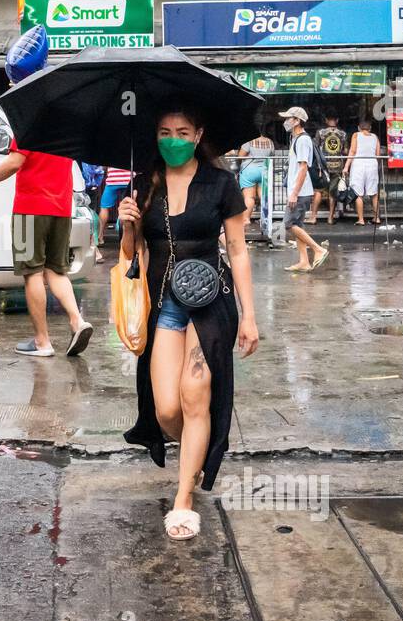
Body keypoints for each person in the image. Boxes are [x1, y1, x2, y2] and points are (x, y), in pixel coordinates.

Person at [118, 102, 259, 541]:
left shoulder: (221, 183)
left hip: (211, 303)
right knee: (166, 410)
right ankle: (194, 453)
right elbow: (130, 256)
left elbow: (236, 250)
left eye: (181, 132)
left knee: (195, 394)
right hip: (165, 304)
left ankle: (184, 497)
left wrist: (250, 315)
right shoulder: (145, 185)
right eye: (164, 132)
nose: (172, 140)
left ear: (198, 135)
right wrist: (127, 225)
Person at [0, 138, 93, 358]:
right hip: (61, 208)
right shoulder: (67, 128)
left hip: (30, 209)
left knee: (32, 272)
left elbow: (14, 162)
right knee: (56, 270)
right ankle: (77, 321)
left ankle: (42, 341)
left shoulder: (29, 126)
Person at [280, 107, 329, 271]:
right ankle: (304, 262)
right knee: (298, 226)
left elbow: (303, 168)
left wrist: (294, 193)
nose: (286, 121)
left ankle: (318, 249)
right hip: (299, 191)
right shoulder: (296, 139)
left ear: (297, 121)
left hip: (299, 193)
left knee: (288, 224)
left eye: (289, 118)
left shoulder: (302, 140)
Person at [309, 115, 349, 225]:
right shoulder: (343, 134)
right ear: (337, 120)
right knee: (333, 193)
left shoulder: (320, 132)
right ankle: (330, 218)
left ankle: (313, 217)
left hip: (322, 167)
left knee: (318, 191)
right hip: (337, 166)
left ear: (326, 120)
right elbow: (345, 151)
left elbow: (315, 148)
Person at [343, 117, 383, 226]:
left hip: (358, 165)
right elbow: (378, 155)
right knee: (374, 193)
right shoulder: (375, 137)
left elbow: (352, 151)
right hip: (372, 164)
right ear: (370, 128)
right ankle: (376, 218)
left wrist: (346, 167)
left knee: (358, 193)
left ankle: (361, 219)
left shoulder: (356, 135)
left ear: (358, 128)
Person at [235, 127, 274, 230]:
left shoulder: (248, 141)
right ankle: (266, 219)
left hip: (250, 170)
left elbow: (240, 156)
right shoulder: (269, 142)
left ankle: (246, 219)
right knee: (263, 196)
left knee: (249, 197)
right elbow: (272, 155)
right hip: (264, 170)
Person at [80, 163, 106, 264]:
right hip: (84, 188)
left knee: (89, 219)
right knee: (90, 219)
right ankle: (94, 249)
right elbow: (99, 171)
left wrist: (93, 183)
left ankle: (94, 249)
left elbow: (98, 171)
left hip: (83, 189)